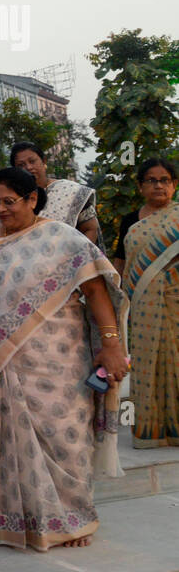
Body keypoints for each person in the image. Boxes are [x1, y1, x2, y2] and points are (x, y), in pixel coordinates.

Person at [0, 168, 126, 549]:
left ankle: (71, 519)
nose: (0, 209)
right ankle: (10, 520)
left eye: (8, 202)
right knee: (2, 438)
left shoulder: (64, 238)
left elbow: (96, 290)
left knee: (62, 436)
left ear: (33, 199)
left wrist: (112, 343)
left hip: (57, 361)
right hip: (0, 363)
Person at [114, 158, 179, 448]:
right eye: (151, 180)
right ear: (140, 187)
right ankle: (152, 431)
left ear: (174, 185)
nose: (158, 185)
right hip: (142, 307)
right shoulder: (131, 221)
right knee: (147, 364)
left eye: (165, 180)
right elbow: (121, 264)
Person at [11, 142, 100, 244]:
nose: (28, 167)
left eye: (32, 161)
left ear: (43, 161)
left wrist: (79, 257)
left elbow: (90, 228)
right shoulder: (13, 200)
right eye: (21, 165)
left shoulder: (71, 191)